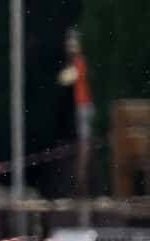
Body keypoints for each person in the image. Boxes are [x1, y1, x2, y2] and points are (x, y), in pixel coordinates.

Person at [58, 27, 93, 204]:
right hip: (83, 107)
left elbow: (66, 78)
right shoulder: (80, 61)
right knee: (85, 147)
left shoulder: (80, 62)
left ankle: (81, 184)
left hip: (84, 107)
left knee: (85, 147)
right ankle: (82, 184)